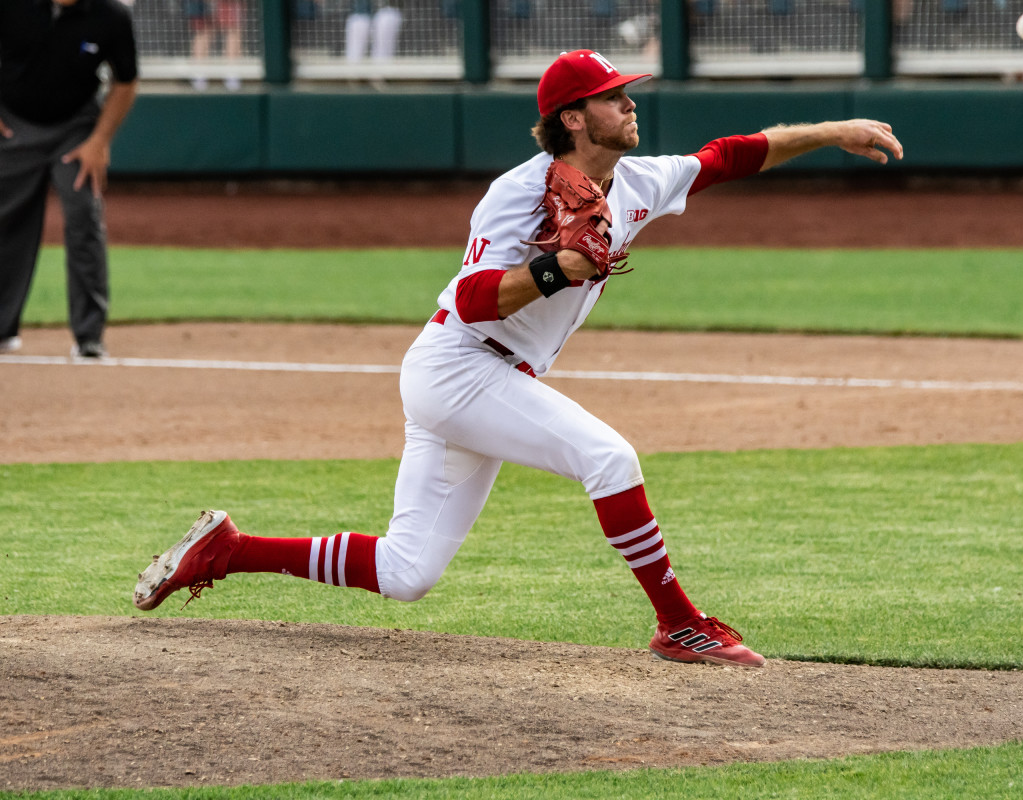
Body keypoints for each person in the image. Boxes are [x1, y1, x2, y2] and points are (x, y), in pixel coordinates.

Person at [132, 49, 902, 667]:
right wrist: (549, 271)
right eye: (613, 96)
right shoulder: (517, 192)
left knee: (408, 573)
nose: (630, 103)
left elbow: (731, 155)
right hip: (458, 366)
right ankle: (680, 624)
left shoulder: (637, 179)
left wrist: (834, 129)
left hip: (493, 379)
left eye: (627, 92)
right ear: (573, 116)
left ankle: (228, 550)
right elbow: (469, 300)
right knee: (609, 457)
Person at [0, 0, 139, 359]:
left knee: (83, 217)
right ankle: (2, 329)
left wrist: (99, 141)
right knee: (6, 219)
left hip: (75, 129)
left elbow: (125, 82)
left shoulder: (111, 16)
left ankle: (89, 337)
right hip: (13, 123)